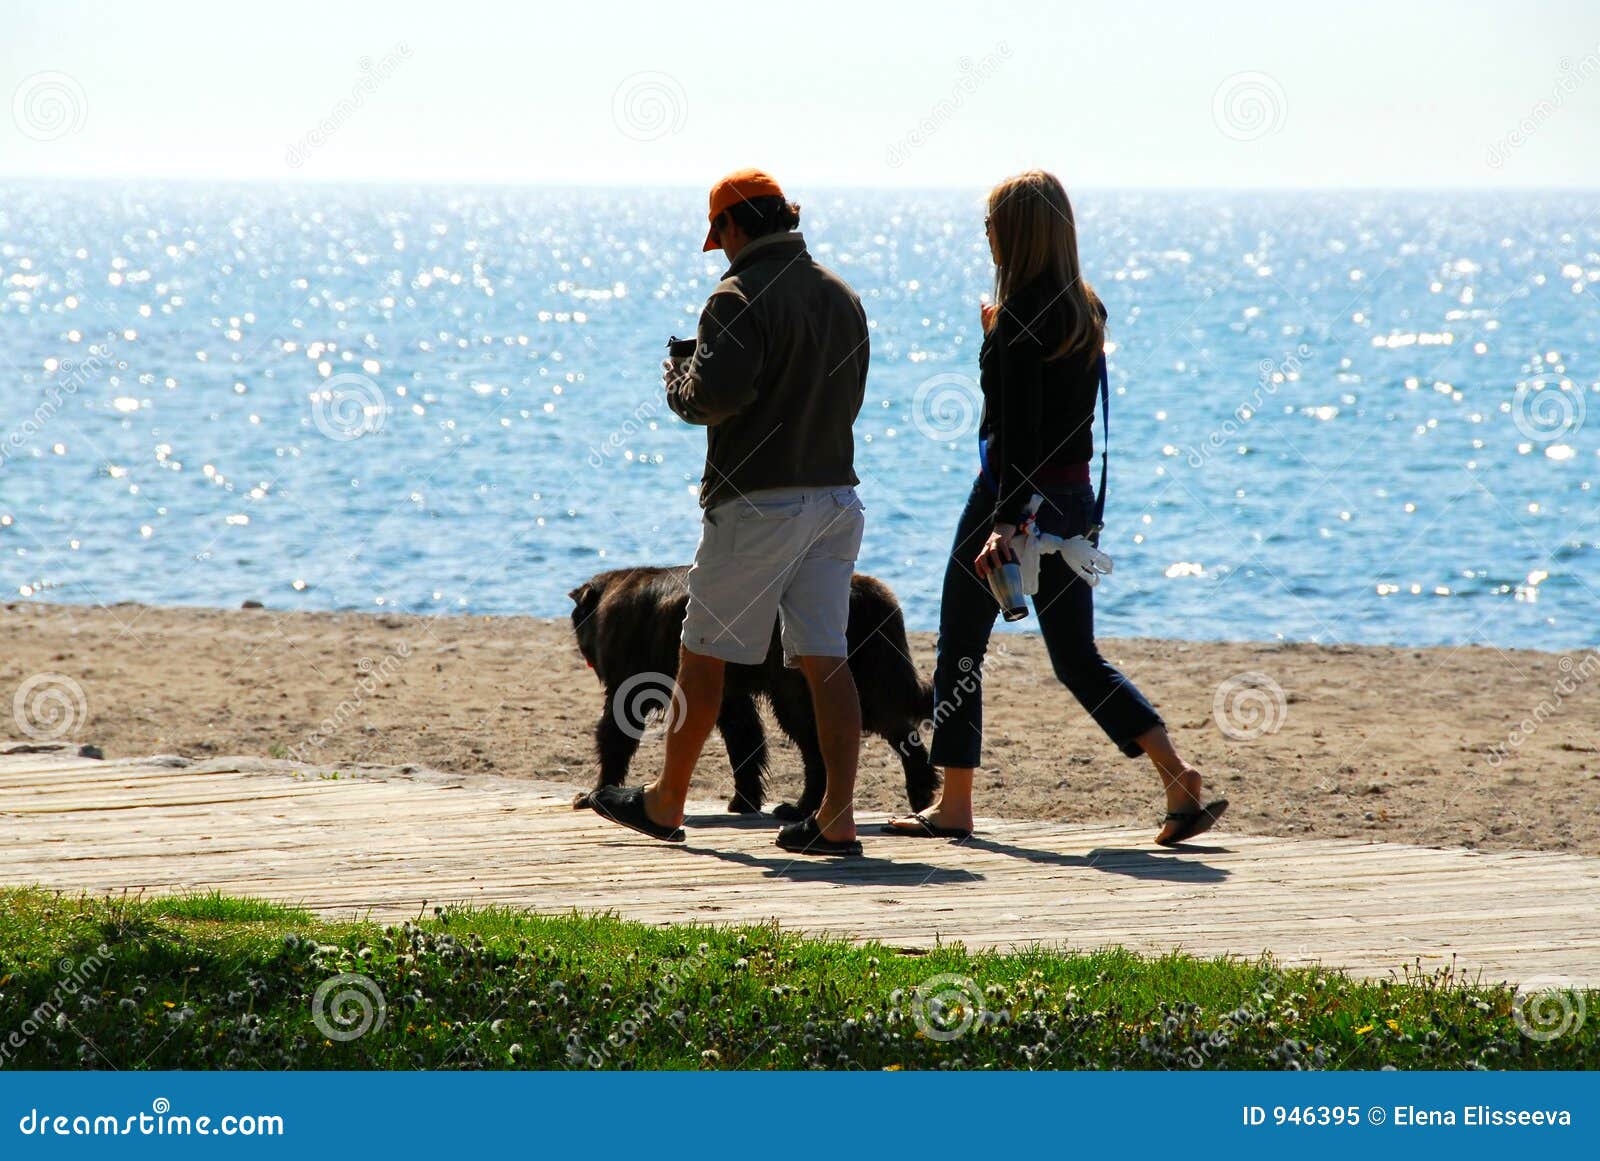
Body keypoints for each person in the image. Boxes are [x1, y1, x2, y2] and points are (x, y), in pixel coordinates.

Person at [884, 170, 1227, 847]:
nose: (985, 236)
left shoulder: (1014, 321)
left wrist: (1004, 523)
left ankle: (954, 804)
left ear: (1014, 234)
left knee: (961, 641)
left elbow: (1012, 428)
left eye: (991, 225)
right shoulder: (1085, 309)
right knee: (1074, 655)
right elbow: (1064, 413)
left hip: (1012, 496)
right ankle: (1177, 773)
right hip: (1072, 500)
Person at [589, 168, 872, 857]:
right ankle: (836, 817)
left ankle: (664, 802)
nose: (720, 250)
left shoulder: (735, 296)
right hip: (836, 498)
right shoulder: (842, 295)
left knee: (702, 656)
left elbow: (714, 397)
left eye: (720, 236)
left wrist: (679, 380)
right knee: (826, 660)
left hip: (756, 505)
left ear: (736, 226)